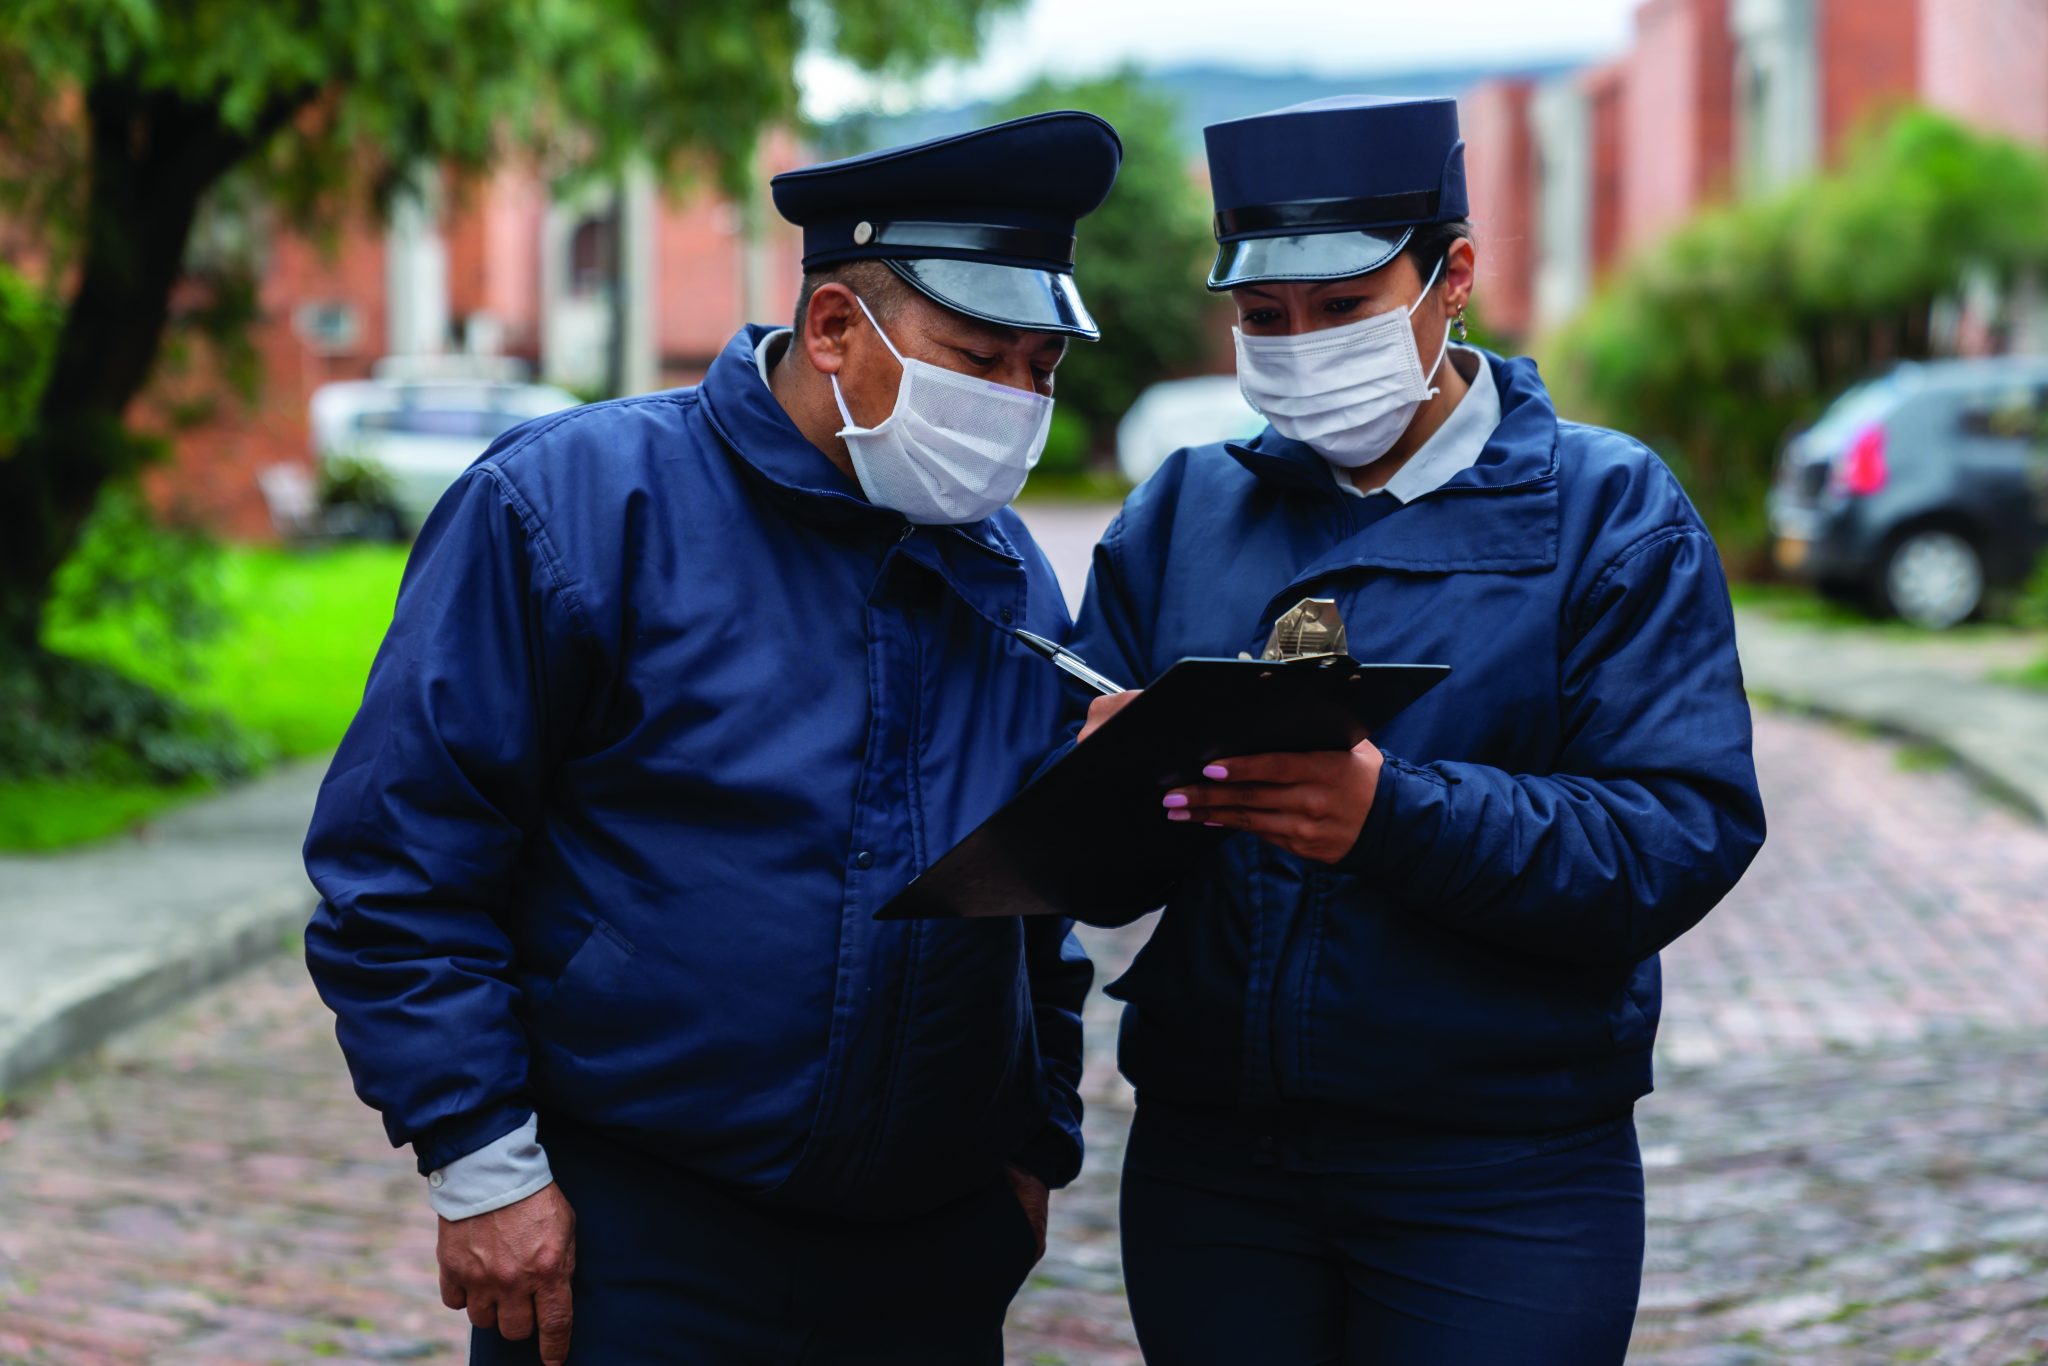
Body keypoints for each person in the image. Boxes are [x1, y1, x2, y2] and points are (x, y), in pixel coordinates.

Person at [302, 111, 1123, 1364]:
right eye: (977, 356)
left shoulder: (1000, 565)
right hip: (637, 1232)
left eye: (1040, 370)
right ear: (836, 328)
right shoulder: (572, 506)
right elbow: (397, 861)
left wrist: (1034, 1140)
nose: (1014, 401)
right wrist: (480, 1163)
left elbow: (1028, 903)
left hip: (929, 1246)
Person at [1064, 94, 1766, 1365]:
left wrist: (1393, 816)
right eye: (1262, 319)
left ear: (1453, 278)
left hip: (1502, 1168)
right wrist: (1100, 780)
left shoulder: (1610, 512)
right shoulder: (1185, 512)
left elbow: (1677, 831)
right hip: (1216, 1165)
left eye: (1340, 310)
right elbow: (1093, 857)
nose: (1297, 347)